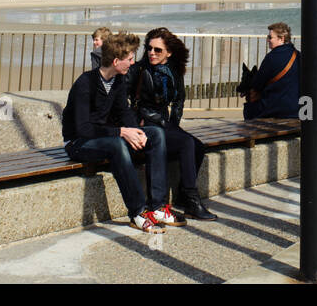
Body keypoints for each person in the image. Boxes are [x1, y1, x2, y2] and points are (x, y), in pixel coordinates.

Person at [61, 33, 182, 233]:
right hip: (78, 143)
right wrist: (121, 132)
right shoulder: (85, 83)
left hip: (103, 138)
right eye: (130, 60)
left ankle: (158, 206)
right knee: (117, 144)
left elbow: (124, 113)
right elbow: (83, 129)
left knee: (156, 134)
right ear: (116, 61)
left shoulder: (117, 81)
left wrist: (136, 132)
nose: (133, 63)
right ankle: (137, 212)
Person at [128, 28, 217, 221]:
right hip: (145, 124)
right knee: (186, 143)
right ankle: (193, 202)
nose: (152, 53)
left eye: (157, 50)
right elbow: (126, 102)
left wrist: (173, 125)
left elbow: (179, 101)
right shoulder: (138, 70)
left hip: (164, 124)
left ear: (168, 52)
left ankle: (184, 195)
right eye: (149, 48)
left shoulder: (174, 71)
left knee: (198, 146)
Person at [242, 22, 300, 120]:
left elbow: (257, 84)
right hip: (297, 108)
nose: (268, 40)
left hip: (276, 108)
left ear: (281, 39)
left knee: (249, 109)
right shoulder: (298, 55)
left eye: (270, 37)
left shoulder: (271, 57)